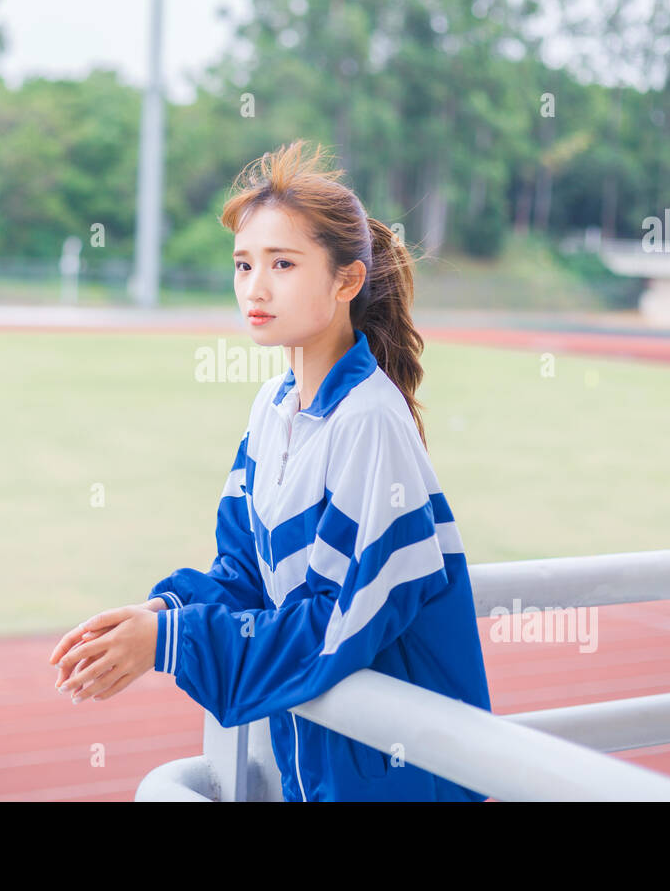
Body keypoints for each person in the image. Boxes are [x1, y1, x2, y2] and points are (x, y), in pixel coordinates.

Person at [48, 139, 492, 801]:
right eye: (242, 264)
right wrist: (161, 613)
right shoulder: (274, 406)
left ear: (346, 280)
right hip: (322, 770)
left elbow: (336, 622)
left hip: (404, 780)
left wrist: (171, 642)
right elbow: (247, 573)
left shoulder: (369, 421)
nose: (254, 288)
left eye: (282, 264)